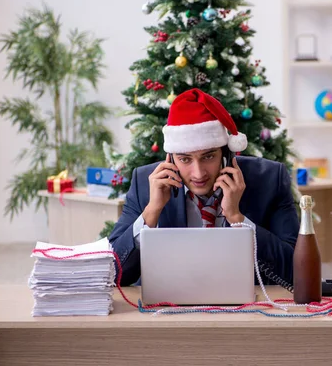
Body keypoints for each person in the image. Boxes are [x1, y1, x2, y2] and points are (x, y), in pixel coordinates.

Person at [109, 88, 299, 286]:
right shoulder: (144, 183)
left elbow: (295, 271)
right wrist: (151, 212)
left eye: (208, 156)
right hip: (167, 310)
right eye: (185, 159)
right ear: (171, 158)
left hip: (247, 311)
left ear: (226, 154)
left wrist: (237, 218)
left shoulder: (269, 179)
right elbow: (112, 273)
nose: (198, 173)